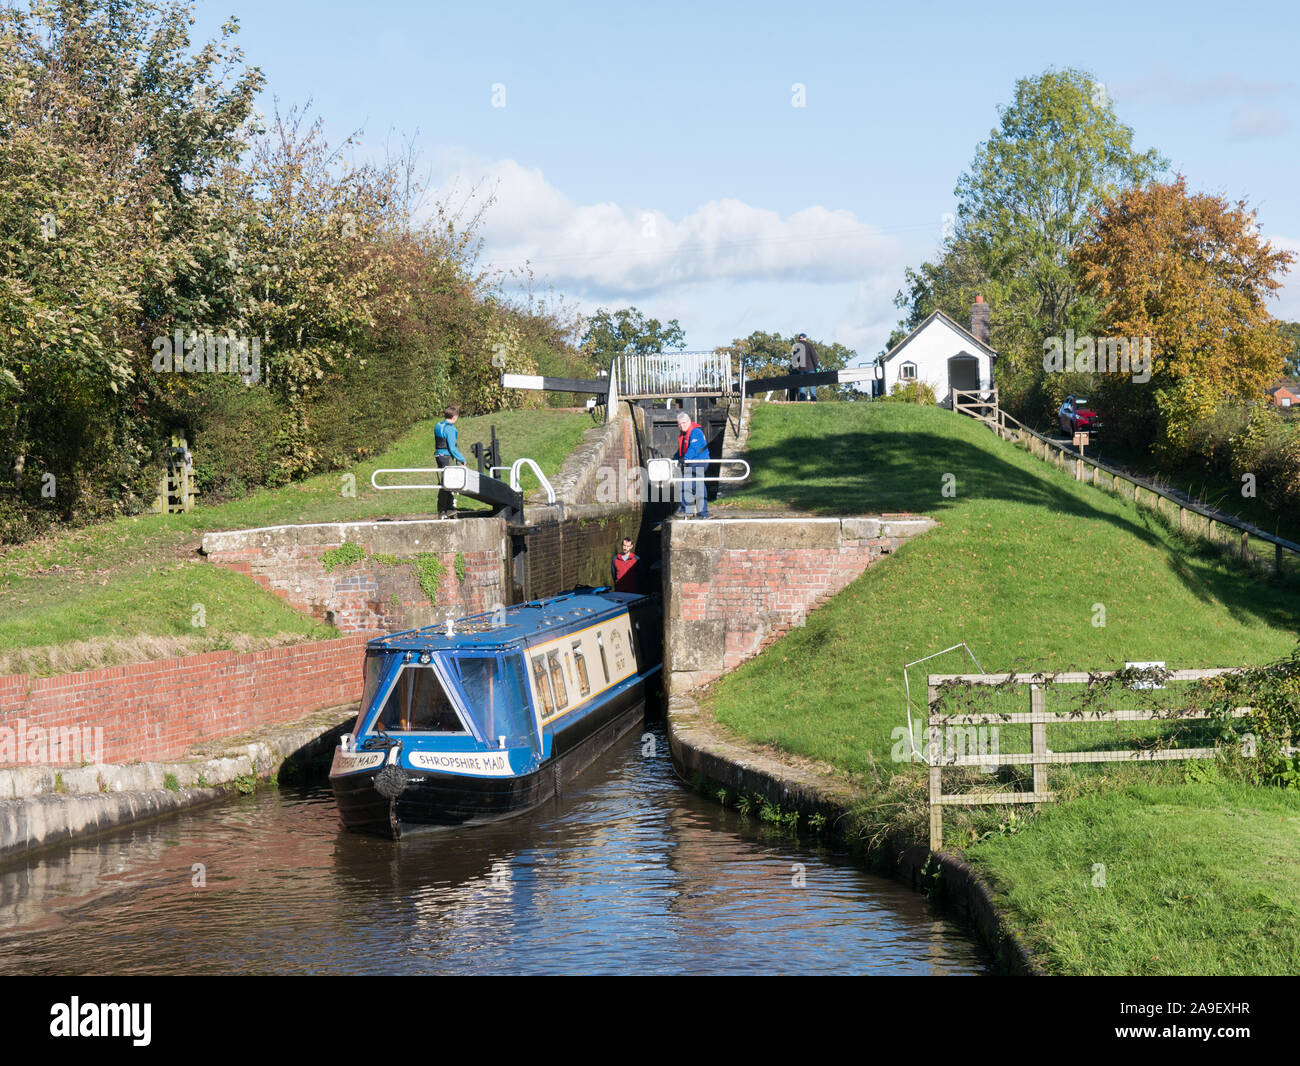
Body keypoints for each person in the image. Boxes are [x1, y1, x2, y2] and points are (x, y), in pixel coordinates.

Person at [675, 410, 709, 519]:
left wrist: (685, 458)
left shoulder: (695, 432)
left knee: (684, 483)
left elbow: (693, 448)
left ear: (689, 421)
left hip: (699, 462)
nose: (682, 426)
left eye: (684, 423)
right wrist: (674, 459)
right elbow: (681, 451)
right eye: (679, 424)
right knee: (698, 485)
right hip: (693, 463)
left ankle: (686, 510)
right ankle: (703, 513)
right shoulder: (685, 435)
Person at [434, 405, 466, 517]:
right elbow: (452, 448)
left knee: (447, 482)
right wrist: (462, 459)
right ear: (454, 417)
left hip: (439, 456)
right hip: (446, 457)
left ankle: (448, 508)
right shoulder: (450, 429)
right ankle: (444, 510)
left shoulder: (439, 425)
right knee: (447, 483)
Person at [789, 332, 820, 401]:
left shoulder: (796, 347)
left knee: (802, 384)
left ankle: (802, 399)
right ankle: (813, 398)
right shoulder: (810, 345)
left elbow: (794, 360)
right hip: (811, 368)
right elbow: (814, 357)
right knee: (812, 384)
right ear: (805, 338)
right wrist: (817, 367)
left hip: (802, 369)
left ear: (799, 339)